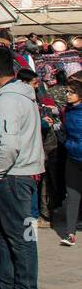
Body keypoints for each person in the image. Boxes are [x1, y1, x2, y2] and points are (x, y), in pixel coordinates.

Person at [0, 46, 44, 289]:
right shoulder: (19, 97)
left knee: (20, 234)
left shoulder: (7, 100)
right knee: (1, 230)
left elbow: (11, 145)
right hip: (16, 173)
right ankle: (6, 282)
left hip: (14, 175)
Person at [59, 79, 82, 247]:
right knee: (72, 196)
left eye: (71, 92)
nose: (67, 95)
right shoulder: (66, 111)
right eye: (66, 92)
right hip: (72, 157)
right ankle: (70, 233)